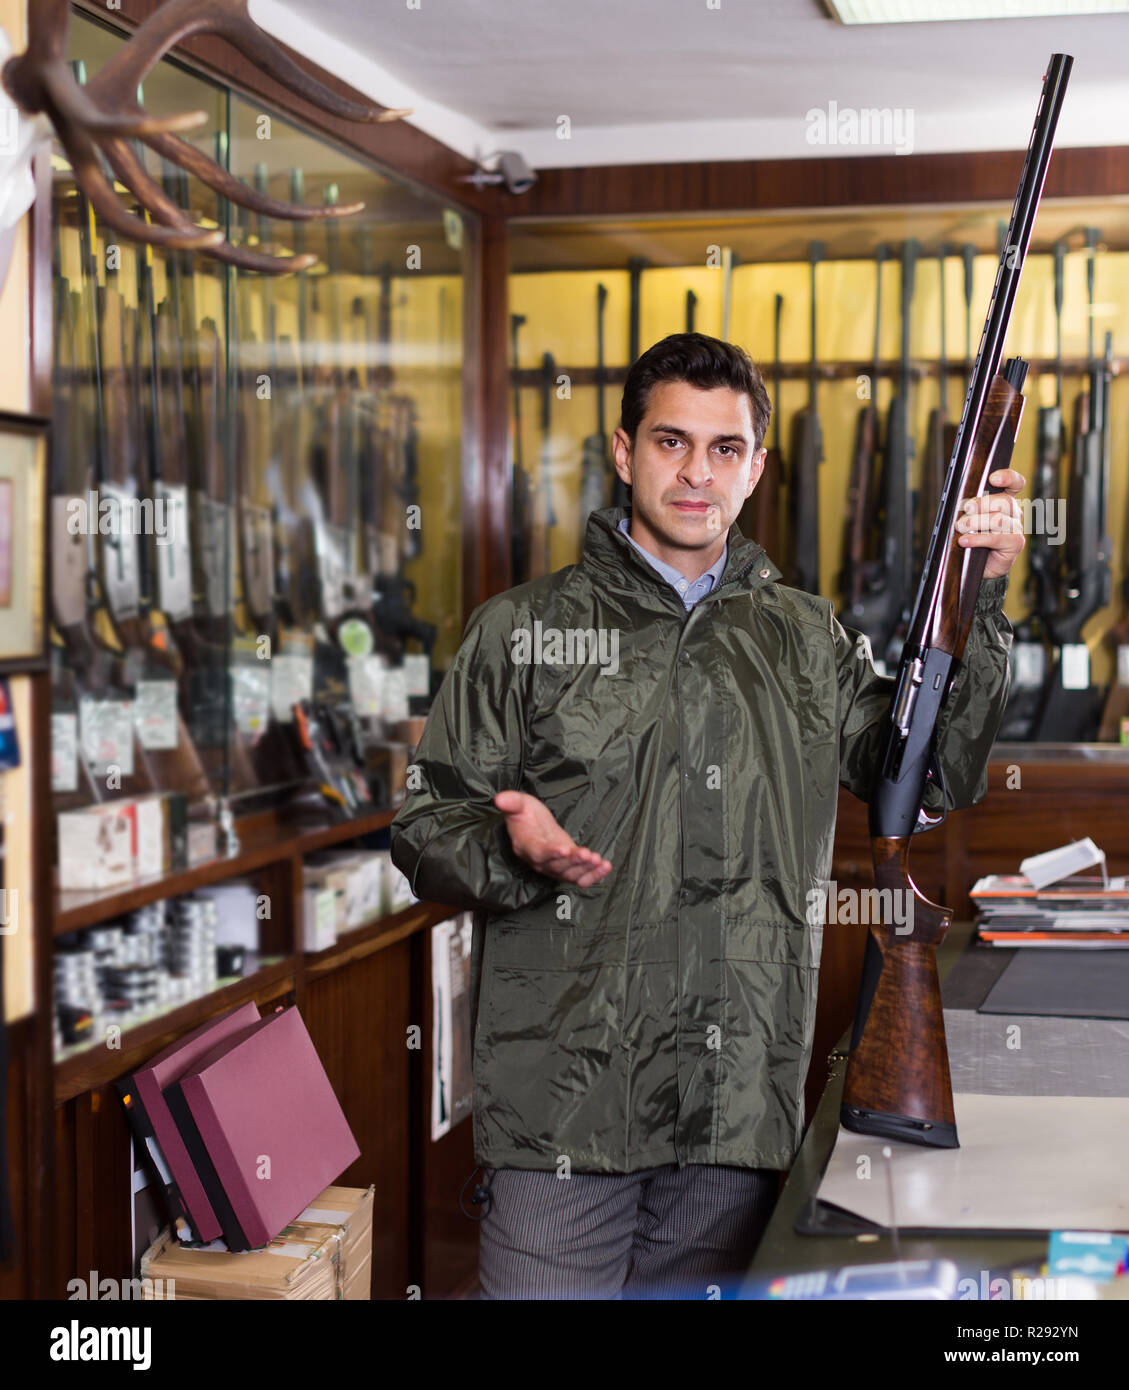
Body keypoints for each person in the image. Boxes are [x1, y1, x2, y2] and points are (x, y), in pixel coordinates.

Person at [390, 332, 1022, 1300]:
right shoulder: (520, 628)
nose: (696, 473)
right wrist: (508, 847)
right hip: (563, 1105)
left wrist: (977, 602)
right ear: (622, 451)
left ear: (757, 465)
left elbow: (927, 774)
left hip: (738, 1098)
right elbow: (426, 823)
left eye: (724, 449)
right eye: (670, 442)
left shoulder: (809, 638)